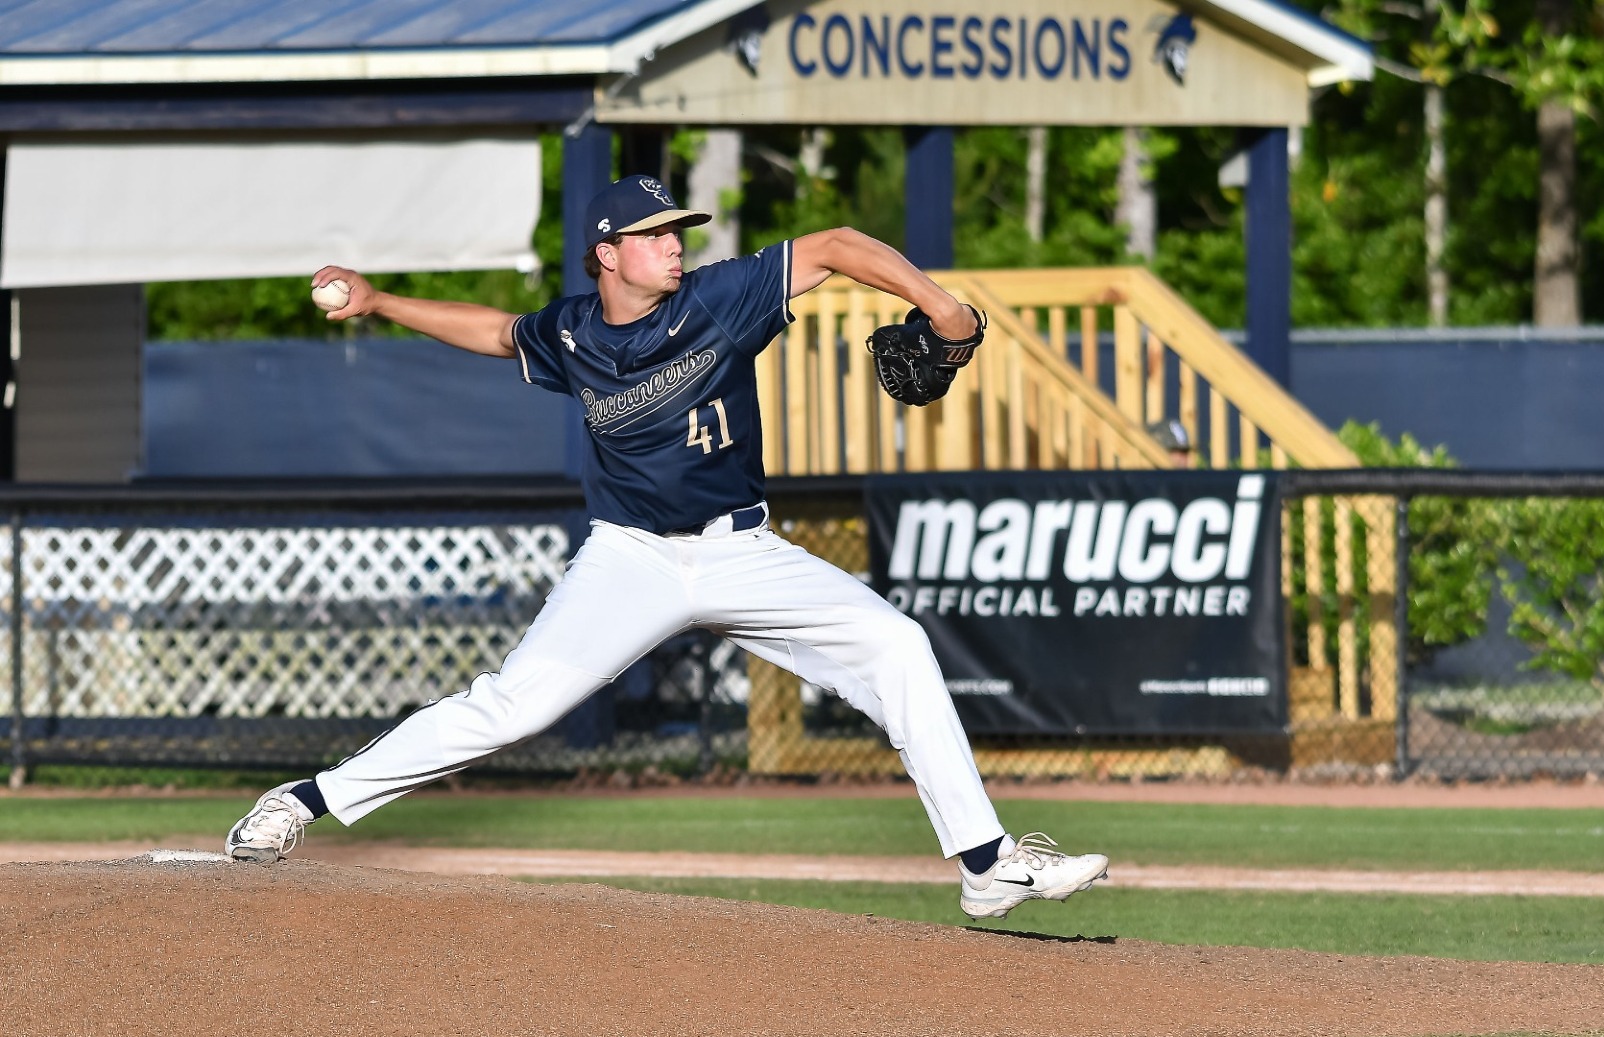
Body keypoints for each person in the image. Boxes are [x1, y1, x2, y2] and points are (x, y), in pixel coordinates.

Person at [224, 174, 1109, 919]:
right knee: (513, 707)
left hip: (743, 553)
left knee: (896, 646)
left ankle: (986, 866)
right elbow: (495, 332)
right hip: (631, 560)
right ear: (609, 254)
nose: (676, 244)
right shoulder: (572, 332)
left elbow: (837, 243)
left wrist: (942, 306)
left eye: (679, 230)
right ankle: (302, 801)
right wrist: (378, 300)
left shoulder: (723, 298)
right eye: (654, 234)